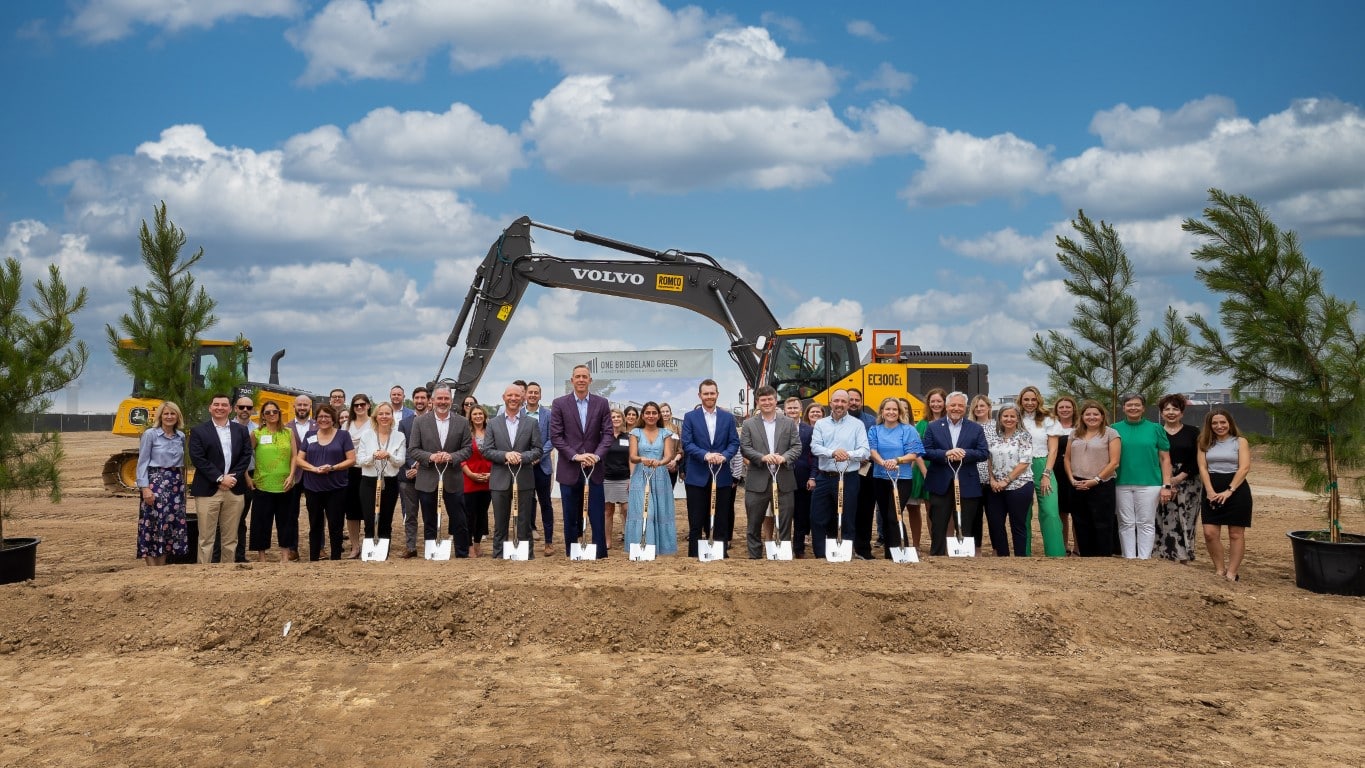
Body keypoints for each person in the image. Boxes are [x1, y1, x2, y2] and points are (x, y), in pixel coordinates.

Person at [550, 364, 614, 557]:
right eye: (577, 376)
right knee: (570, 515)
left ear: (590, 380)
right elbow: (556, 436)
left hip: (594, 468)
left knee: (596, 514)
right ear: (572, 380)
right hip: (570, 468)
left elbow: (608, 434)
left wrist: (596, 455)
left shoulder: (601, 403)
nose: (581, 380)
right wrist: (576, 456)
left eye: (584, 376)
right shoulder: (559, 403)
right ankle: (572, 551)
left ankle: (599, 552)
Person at [408, 385, 474, 558]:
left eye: (446, 399)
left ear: (451, 401)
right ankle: (432, 553)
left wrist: (451, 457)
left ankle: (462, 553)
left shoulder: (461, 422)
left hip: (453, 478)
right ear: (432, 401)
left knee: (459, 519)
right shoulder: (420, 422)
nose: (443, 402)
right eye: (440, 398)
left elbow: (467, 449)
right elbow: (413, 449)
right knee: (429, 519)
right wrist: (430, 457)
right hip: (427, 478)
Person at [188, 394, 253, 564]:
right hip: (208, 490)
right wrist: (219, 478)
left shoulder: (241, 430)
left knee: (230, 538)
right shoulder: (198, 431)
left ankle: (227, 574)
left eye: (224, 405)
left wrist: (232, 478)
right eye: (216, 404)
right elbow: (198, 458)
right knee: (206, 539)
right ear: (210, 408)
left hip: (234, 489)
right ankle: (204, 572)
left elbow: (246, 456)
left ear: (230, 409)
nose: (220, 407)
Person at [921, 391, 989, 556]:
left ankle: (963, 556)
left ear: (965, 408)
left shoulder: (975, 428)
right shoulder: (933, 427)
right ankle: (937, 555)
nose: (956, 408)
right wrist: (945, 454)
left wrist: (964, 453)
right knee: (938, 522)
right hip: (940, 481)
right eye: (953, 405)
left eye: (960, 405)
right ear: (946, 406)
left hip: (967, 481)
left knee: (966, 522)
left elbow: (983, 453)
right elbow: (925, 451)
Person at [681, 379, 741, 557]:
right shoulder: (690, 417)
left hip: (721, 475)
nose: (709, 396)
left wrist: (724, 456)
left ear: (717, 394)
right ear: (700, 395)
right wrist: (706, 455)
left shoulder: (728, 417)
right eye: (705, 393)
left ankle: (720, 552)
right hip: (697, 476)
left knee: (721, 517)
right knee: (696, 519)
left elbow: (734, 442)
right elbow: (687, 443)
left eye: (712, 393)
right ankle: (694, 554)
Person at [740, 387, 802, 559]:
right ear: (757, 402)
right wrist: (762, 457)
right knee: (753, 522)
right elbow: (745, 448)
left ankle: (782, 554)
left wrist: (784, 458)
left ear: (776, 401)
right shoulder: (749, 424)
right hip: (757, 480)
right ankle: (755, 557)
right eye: (763, 400)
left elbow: (797, 447)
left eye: (770, 399)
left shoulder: (788, 423)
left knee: (784, 522)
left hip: (784, 479)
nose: (767, 402)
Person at [483, 383, 543, 559]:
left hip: (524, 478)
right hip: (499, 479)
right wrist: (505, 455)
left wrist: (521, 457)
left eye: (517, 396)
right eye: (510, 395)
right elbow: (487, 450)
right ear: (504, 398)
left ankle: (525, 554)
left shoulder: (531, 423)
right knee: (500, 521)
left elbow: (538, 449)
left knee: (524, 521)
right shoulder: (493, 423)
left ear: (522, 398)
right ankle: (499, 554)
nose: (513, 399)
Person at [809, 389, 870, 558]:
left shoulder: (857, 425)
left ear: (848, 404)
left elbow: (865, 451)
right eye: (836, 401)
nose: (840, 405)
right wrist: (833, 452)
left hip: (849, 477)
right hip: (824, 477)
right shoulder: (821, 424)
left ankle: (845, 553)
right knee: (817, 517)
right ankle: (821, 555)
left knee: (847, 516)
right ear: (830, 403)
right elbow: (815, 447)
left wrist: (847, 454)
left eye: (844, 401)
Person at [1113, 393, 1173, 559]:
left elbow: (1165, 458)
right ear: (1123, 408)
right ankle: (1129, 557)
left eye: (1137, 405)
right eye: (1129, 405)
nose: (1133, 408)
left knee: (1145, 522)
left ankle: (1144, 558)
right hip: (1121, 482)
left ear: (1143, 408)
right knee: (1125, 523)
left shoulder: (1156, 429)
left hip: (1150, 483)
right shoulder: (1114, 429)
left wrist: (1166, 485)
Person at [1197, 409, 1253, 582]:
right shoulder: (1204, 442)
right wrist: (1210, 491)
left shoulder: (1240, 441)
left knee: (1235, 533)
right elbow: (1203, 468)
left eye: (1223, 422)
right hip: (1212, 488)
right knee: (1209, 533)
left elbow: (1244, 467)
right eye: (1215, 423)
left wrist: (1229, 490)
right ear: (1209, 425)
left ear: (1229, 423)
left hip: (1236, 489)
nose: (1219, 426)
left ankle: (1232, 572)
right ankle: (1220, 569)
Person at [867, 397, 926, 559]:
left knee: (895, 515)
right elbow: (872, 451)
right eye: (888, 409)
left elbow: (914, 454)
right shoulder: (874, 430)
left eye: (895, 409)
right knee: (885, 516)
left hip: (902, 478)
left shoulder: (908, 430)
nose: (891, 412)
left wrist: (897, 460)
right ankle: (889, 553)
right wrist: (883, 462)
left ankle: (902, 549)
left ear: (900, 412)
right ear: (882, 412)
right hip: (880, 477)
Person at [295, 403, 355, 560]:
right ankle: (314, 557)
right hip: (313, 487)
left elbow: (351, 460)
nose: (323, 419)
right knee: (315, 524)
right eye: (320, 416)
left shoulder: (343, 436)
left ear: (333, 418)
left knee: (335, 525)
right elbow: (299, 460)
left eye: (327, 416)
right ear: (316, 419)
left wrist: (333, 468)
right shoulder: (309, 435)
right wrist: (314, 469)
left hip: (336, 488)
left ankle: (336, 557)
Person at [1064, 400, 1120, 557]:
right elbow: (1067, 458)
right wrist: (1072, 479)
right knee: (1081, 522)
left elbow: (1114, 462)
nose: (1091, 417)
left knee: (1102, 523)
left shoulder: (1111, 433)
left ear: (1102, 416)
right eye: (1088, 414)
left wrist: (1096, 480)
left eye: (1096, 414)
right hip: (1077, 483)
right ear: (1082, 416)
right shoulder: (1075, 433)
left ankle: (1103, 557)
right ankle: (1086, 556)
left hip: (1101, 485)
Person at [135, 401, 188, 566]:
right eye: (166, 414)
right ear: (160, 416)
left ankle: (162, 566)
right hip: (156, 482)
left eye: (173, 414)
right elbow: (142, 462)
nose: (169, 417)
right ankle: (151, 567)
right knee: (153, 524)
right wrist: (145, 488)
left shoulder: (181, 436)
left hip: (175, 483)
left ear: (178, 416)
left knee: (170, 524)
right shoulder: (150, 434)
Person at [1018, 386, 1065, 558]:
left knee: (1050, 511)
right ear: (1021, 401)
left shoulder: (1048, 419)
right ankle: (1023, 553)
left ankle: (1056, 554)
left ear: (1038, 400)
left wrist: (1046, 474)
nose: (1030, 403)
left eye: (1033, 399)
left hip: (1042, 465)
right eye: (1026, 399)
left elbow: (1053, 450)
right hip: (1020, 466)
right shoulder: (1015, 418)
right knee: (1023, 512)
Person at [626, 401, 679, 555]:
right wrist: (642, 459)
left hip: (660, 476)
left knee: (660, 511)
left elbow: (669, 456)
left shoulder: (665, 433)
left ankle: (659, 547)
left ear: (658, 415)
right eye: (647, 413)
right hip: (640, 476)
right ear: (642, 415)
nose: (651, 416)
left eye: (654, 413)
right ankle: (642, 546)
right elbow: (632, 456)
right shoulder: (635, 433)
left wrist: (660, 462)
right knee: (645, 511)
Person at [1155, 394, 1201, 563]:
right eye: (1166, 409)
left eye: (1175, 409)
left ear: (1182, 412)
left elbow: (1198, 457)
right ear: (1161, 413)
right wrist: (1166, 479)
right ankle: (1161, 551)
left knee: (1185, 517)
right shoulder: (1156, 430)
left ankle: (1183, 553)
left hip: (1188, 480)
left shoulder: (1192, 431)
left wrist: (1180, 477)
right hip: (1160, 478)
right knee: (1161, 514)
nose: (1171, 412)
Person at [248, 401, 296, 563]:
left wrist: (292, 475)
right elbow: (245, 455)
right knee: (261, 522)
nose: (271, 415)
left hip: (285, 484)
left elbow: (294, 456)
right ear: (262, 415)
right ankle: (262, 557)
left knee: (286, 521)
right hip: (263, 484)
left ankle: (285, 556)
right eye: (267, 412)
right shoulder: (257, 433)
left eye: (274, 411)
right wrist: (247, 477)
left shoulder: (288, 433)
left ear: (279, 413)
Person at [984, 403, 1034, 556]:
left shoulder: (1024, 436)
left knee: (1017, 524)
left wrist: (1006, 481)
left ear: (1018, 418)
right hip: (995, 487)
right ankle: (1003, 556)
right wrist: (992, 479)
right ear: (1000, 418)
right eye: (1005, 416)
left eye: (1012, 416)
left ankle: (1020, 557)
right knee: (996, 523)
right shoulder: (994, 438)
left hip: (1019, 485)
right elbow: (989, 460)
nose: (1009, 419)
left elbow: (1024, 462)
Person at [357, 401, 405, 555]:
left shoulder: (399, 436)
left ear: (392, 416)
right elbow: (360, 460)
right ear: (375, 416)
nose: (384, 416)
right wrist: (373, 456)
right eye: (381, 413)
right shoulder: (366, 435)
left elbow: (400, 461)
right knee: (370, 518)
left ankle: (383, 552)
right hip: (369, 481)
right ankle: (370, 549)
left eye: (387, 414)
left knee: (386, 518)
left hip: (389, 481)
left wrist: (389, 455)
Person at [909, 388, 947, 550]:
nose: (936, 404)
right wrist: (925, 472)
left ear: (945, 403)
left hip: (942, 470)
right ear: (928, 404)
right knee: (919, 507)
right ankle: (916, 545)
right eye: (933, 401)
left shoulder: (948, 423)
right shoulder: (921, 425)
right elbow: (916, 450)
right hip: (922, 470)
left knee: (935, 509)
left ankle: (937, 544)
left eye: (939, 401)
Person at [223, 395, 258, 563]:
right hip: (228, 476)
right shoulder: (226, 428)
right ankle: (222, 555)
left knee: (242, 517)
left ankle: (239, 555)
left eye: (249, 408)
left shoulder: (257, 429)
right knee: (226, 517)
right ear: (235, 408)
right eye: (241, 407)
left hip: (250, 477)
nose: (245, 410)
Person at [524, 381, 557, 556]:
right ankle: (525, 541)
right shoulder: (518, 414)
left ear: (540, 395)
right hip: (522, 466)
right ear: (525, 395)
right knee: (524, 504)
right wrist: (526, 458)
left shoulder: (548, 415)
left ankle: (549, 542)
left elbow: (552, 439)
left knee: (546, 504)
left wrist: (537, 456)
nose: (533, 395)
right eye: (530, 392)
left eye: (536, 392)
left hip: (542, 466)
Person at [396, 386, 429, 558]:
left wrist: (421, 468)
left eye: (423, 398)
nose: (420, 401)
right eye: (417, 398)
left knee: (430, 513)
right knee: (410, 514)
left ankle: (430, 547)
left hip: (429, 474)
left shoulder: (434, 421)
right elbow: (403, 448)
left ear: (428, 400)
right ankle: (410, 546)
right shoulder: (404, 423)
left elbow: (435, 448)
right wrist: (413, 465)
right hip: (408, 476)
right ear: (413, 400)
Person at [846, 388, 879, 560]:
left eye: (856, 400)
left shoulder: (871, 421)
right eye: (850, 399)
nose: (853, 402)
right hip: (844, 471)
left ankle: (863, 548)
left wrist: (866, 457)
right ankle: (846, 546)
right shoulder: (837, 421)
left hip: (867, 472)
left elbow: (874, 444)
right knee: (846, 510)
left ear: (861, 401)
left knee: (866, 511)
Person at [283, 395, 316, 562]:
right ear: (294, 406)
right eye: (299, 405)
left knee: (316, 513)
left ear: (310, 406)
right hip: (294, 476)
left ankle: (319, 548)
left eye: (305, 405)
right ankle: (292, 549)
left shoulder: (319, 425)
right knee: (291, 514)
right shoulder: (286, 427)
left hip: (314, 475)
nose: (302, 407)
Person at [343, 393, 374, 558]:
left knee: (369, 510)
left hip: (370, 470)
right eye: (356, 405)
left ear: (368, 405)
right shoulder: (346, 426)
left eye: (363, 404)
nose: (360, 407)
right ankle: (355, 546)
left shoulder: (374, 424)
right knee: (352, 511)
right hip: (351, 471)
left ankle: (370, 544)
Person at [1047, 395, 1079, 555]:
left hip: (1077, 471)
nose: (1065, 410)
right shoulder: (1051, 427)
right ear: (1056, 410)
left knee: (1077, 511)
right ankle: (1064, 545)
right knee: (1061, 512)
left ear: (1074, 409)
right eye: (1061, 407)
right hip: (1056, 471)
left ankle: (1078, 548)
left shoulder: (1081, 427)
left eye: (1068, 407)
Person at [786, 398, 816, 558]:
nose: (792, 410)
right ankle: (783, 545)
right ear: (785, 410)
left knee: (801, 515)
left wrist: (812, 477)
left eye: (795, 408)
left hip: (803, 478)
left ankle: (798, 549)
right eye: (789, 408)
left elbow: (814, 456)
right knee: (784, 514)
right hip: (783, 478)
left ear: (800, 410)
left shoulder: (809, 430)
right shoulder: (778, 428)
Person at [462, 403, 492, 557]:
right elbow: (461, 456)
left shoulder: (491, 432)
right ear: (470, 417)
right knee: (469, 514)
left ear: (485, 416)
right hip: (470, 478)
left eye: (480, 414)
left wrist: (491, 474)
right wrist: (470, 474)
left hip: (488, 479)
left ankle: (478, 543)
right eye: (475, 414)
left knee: (482, 514)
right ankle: (468, 546)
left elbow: (496, 452)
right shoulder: (466, 433)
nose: (478, 416)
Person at [602, 409, 632, 550]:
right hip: (606, 478)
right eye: (612, 417)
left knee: (626, 509)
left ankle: (628, 537)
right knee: (608, 511)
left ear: (623, 419)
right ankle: (607, 540)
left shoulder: (628, 437)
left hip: (624, 478)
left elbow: (632, 459)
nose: (615, 419)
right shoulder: (603, 437)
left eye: (618, 416)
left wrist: (631, 477)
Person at [659, 402, 682, 490]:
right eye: (662, 411)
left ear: (671, 413)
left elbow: (680, 449)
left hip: (672, 467)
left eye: (667, 411)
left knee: (669, 493)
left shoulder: (676, 429)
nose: (665, 414)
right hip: (657, 468)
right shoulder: (653, 428)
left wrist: (674, 461)